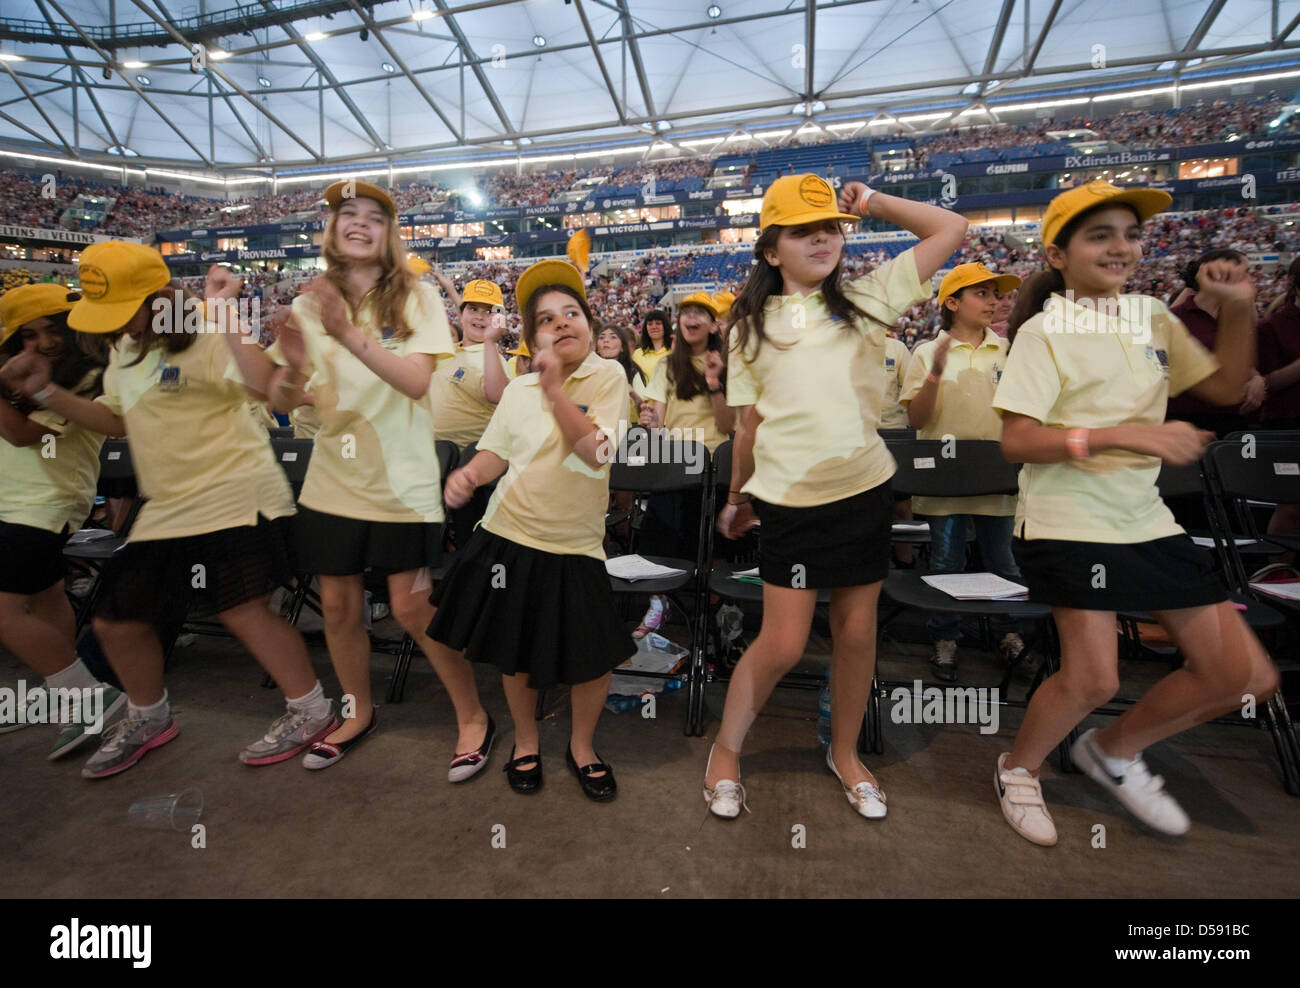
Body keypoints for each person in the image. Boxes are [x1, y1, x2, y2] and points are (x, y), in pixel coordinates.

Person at [992, 180, 1279, 846]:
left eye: (1130, 233)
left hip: (1143, 518)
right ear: (1059, 255)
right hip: (1066, 518)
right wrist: (1127, 434)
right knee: (1093, 676)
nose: (1121, 246)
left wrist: (1240, 308)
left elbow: (1228, 388)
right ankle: (1018, 768)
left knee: (1248, 677)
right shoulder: (1043, 331)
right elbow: (1016, 441)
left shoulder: (1152, 315)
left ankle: (1113, 751)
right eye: (1100, 235)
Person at [1, 242, 337, 778]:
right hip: (171, 504)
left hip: (234, 491)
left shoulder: (205, 332)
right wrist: (44, 394)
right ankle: (148, 714)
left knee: (242, 609)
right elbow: (116, 420)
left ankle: (312, 710)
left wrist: (289, 364)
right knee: (115, 619)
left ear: (160, 299)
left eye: (123, 310)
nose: (114, 324)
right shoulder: (126, 351)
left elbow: (270, 391)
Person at [706, 173, 968, 821]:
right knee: (785, 643)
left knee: (856, 636)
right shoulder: (749, 328)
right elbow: (750, 426)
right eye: (803, 231)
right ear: (771, 250)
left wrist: (873, 202)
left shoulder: (868, 298)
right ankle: (725, 752)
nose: (822, 239)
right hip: (790, 499)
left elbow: (950, 229)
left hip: (864, 491)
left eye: (830, 228)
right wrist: (738, 499)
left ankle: (846, 753)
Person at [225, 180, 491, 776]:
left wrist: (347, 332)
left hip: (402, 478)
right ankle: (357, 711)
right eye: (349, 213)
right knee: (340, 607)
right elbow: (277, 396)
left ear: (389, 232)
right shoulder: (307, 303)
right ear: (333, 227)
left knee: (412, 607)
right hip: (331, 479)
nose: (361, 222)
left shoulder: (416, 298)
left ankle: (474, 716)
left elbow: (417, 382)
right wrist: (291, 366)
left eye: (375, 215)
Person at [427, 259, 632, 801]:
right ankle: (526, 740)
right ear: (533, 334)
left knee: (590, 658)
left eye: (573, 312)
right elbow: (497, 451)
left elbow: (596, 452)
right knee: (516, 653)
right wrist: (470, 473)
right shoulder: (518, 391)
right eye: (547, 318)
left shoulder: (609, 377)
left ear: (589, 323)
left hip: (576, 542)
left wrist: (555, 390)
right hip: (509, 533)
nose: (562, 323)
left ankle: (583, 746)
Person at [0, 283, 126, 754]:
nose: (42, 343)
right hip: (18, 500)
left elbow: (21, 435)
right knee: (45, 597)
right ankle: (64, 693)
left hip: (41, 503)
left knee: (6, 613)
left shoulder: (84, 374)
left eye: (50, 330)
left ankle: (87, 697)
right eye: (27, 336)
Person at [900, 262, 1025, 682]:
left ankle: (1010, 634)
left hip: (999, 474)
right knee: (945, 563)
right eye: (983, 294)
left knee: (1003, 563)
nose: (995, 301)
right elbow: (917, 419)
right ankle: (946, 638)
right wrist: (935, 371)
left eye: (996, 294)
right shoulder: (923, 353)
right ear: (952, 303)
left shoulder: (1009, 351)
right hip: (944, 479)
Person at [635, 291, 733, 637]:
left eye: (700, 313)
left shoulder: (726, 361)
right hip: (675, 463)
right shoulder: (666, 366)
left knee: (714, 544)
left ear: (712, 323)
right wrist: (649, 420)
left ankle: (717, 612)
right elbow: (658, 422)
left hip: (715, 464)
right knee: (658, 534)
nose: (691, 318)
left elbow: (727, 425)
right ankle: (659, 604)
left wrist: (714, 384)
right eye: (686, 311)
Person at [1165, 249, 1268, 436]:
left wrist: (1256, 378)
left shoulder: (1236, 318)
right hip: (1185, 417)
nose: (1250, 280)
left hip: (1232, 417)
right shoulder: (1175, 317)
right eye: (1242, 272)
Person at [430, 279, 510, 447]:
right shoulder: (447, 351)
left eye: (489, 312)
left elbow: (498, 395)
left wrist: (490, 341)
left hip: (463, 460)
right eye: (473, 309)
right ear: (462, 314)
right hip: (428, 452)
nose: (480, 317)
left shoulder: (492, 358)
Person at [631, 309, 672, 379]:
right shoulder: (637, 354)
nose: (654, 327)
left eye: (658, 323)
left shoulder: (674, 351)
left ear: (665, 326)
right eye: (650, 324)